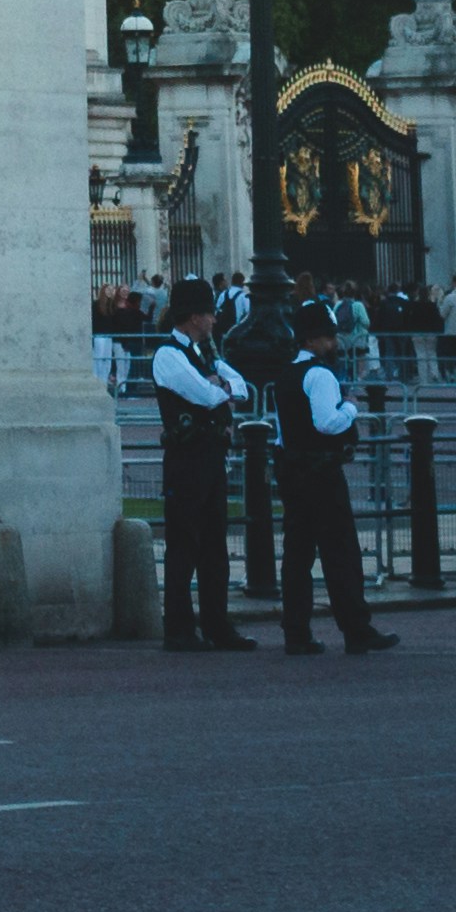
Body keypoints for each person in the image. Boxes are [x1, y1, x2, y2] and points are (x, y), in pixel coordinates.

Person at [264, 285, 396, 657]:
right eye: (329, 336)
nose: (334, 342)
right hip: (321, 473)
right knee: (340, 554)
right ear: (314, 339)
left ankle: (297, 632)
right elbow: (327, 423)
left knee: (297, 556)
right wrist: (352, 408)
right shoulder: (320, 375)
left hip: (293, 473)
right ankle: (356, 628)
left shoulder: (285, 376)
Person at [150, 279, 259, 652]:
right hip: (186, 459)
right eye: (210, 313)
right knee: (184, 546)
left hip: (211, 458)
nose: (215, 319)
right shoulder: (168, 355)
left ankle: (217, 624)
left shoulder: (204, 354)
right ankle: (178, 628)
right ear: (194, 317)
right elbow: (206, 395)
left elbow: (241, 388)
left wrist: (221, 388)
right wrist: (220, 390)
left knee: (215, 546)